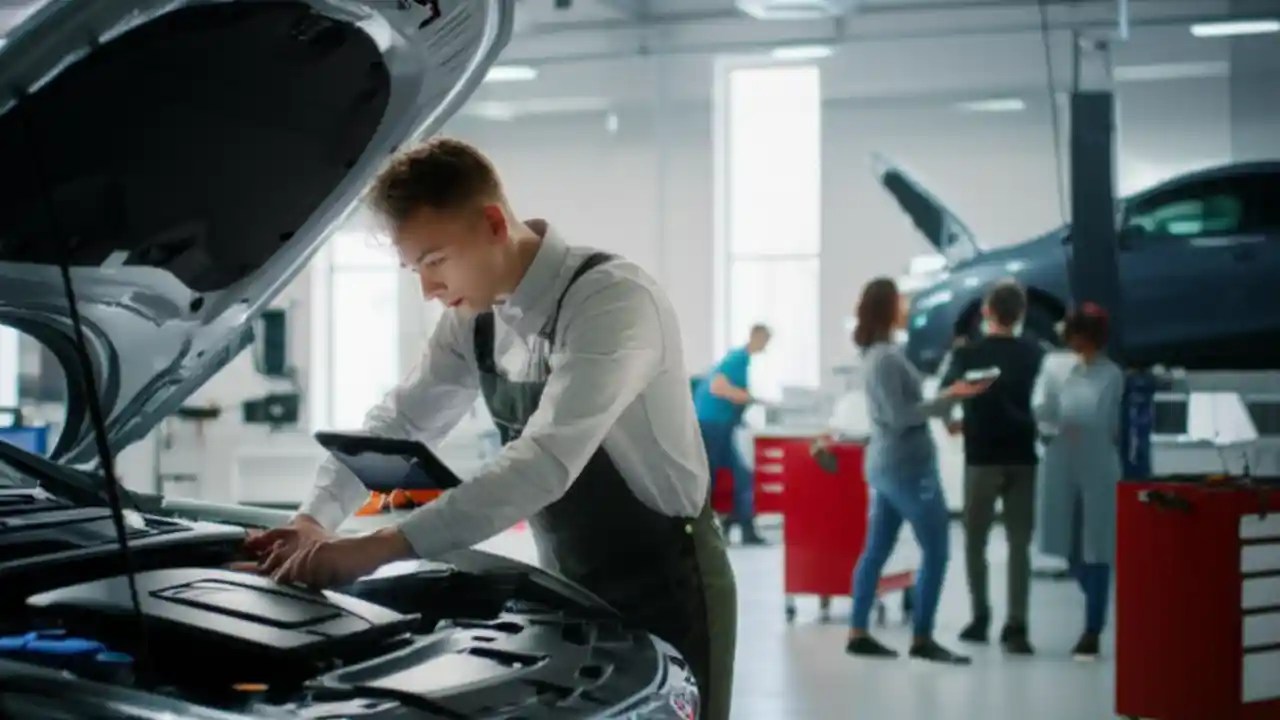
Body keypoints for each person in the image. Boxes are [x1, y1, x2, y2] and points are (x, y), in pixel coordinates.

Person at [238, 138, 738, 718]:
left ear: (494, 223)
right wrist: (312, 519)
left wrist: (377, 547)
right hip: (564, 582)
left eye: (434, 260)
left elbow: (544, 460)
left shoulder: (611, 302)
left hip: (670, 584)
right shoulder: (473, 318)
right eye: (414, 268)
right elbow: (400, 421)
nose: (427, 288)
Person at [844, 277, 991, 665]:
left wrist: (944, 403)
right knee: (938, 550)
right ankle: (923, 638)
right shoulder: (888, 358)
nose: (907, 308)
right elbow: (901, 417)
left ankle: (858, 631)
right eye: (902, 302)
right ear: (888, 308)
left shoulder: (875, 354)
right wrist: (949, 398)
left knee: (876, 550)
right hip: (908, 468)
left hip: (886, 466)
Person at [940, 280, 1045, 655]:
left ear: (987, 312)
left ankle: (980, 617)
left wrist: (951, 422)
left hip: (981, 457)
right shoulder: (1034, 353)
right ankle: (1017, 627)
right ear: (1019, 314)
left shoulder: (969, 353)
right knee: (1019, 544)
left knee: (975, 542)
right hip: (1022, 456)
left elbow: (943, 396)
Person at [1032, 302, 1123, 661]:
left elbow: (1096, 416)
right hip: (1061, 460)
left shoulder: (1111, 374)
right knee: (1065, 543)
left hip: (1097, 462)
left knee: (1098, 546)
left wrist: (1063, 410)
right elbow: (1043, 408)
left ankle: (1092, 629)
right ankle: (1091, 599)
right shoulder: (1055, 366)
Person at [693, 325, 772, 545]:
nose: (765, 346)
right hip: (714, 423)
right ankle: (723, 528)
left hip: (720, 422)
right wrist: (750, 398)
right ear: (757, 337)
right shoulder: (738, 358)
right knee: (722, 476)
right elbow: (718, 387)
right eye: (765, 340)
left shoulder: (740, 359)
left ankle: (735, 525)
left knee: (737, 475)